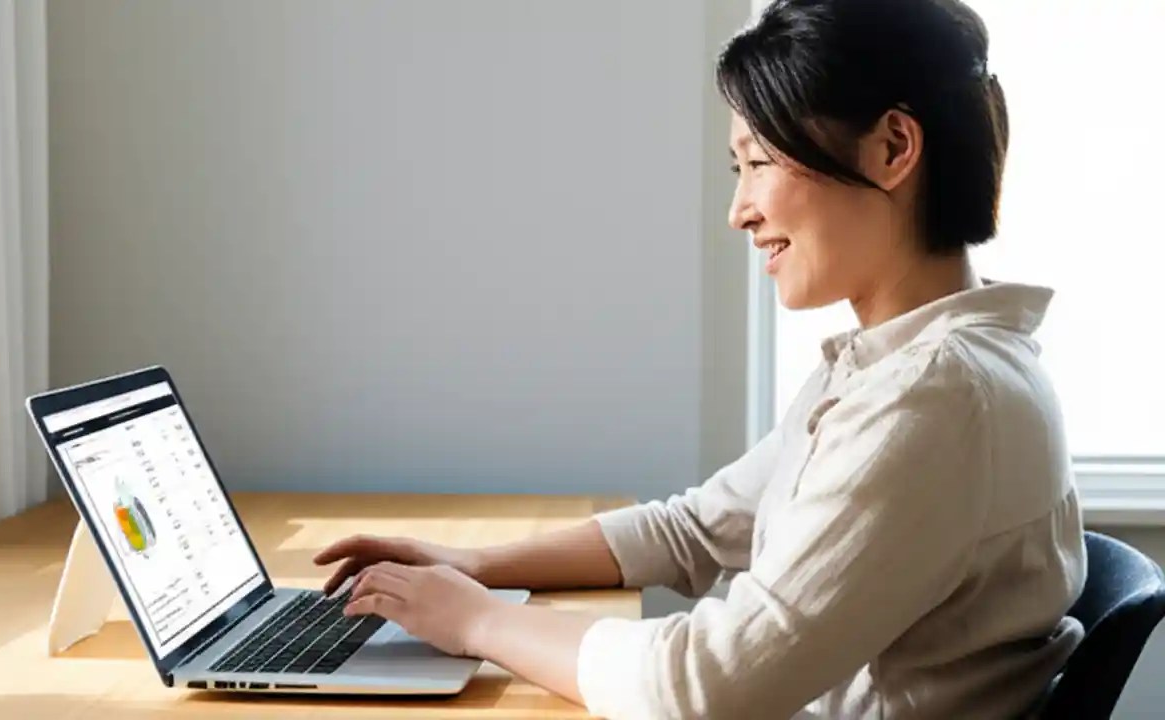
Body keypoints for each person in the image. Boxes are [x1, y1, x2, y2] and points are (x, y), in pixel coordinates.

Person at [315, 0, 1086, 716]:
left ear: (892, 148)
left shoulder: (934, 400)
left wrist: (476, 622)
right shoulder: (902, 365)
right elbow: (694, 530)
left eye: (759, 163)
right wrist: (472, 567)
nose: (739, 210)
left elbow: (706, 685)